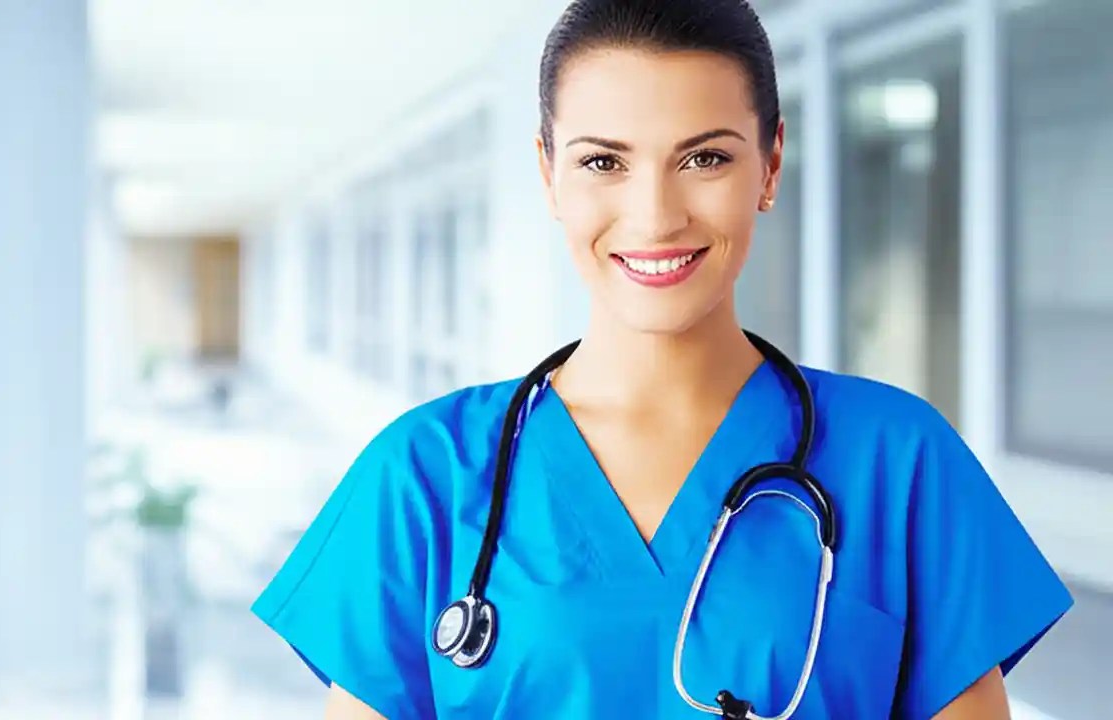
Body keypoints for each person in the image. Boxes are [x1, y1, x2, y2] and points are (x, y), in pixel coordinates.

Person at [251, 1, 1073, 717]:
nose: (655, 215)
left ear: (770, 164)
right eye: (603, 162)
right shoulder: (424, 475)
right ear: (548, 174)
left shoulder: (901, 462)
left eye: (705, 158)